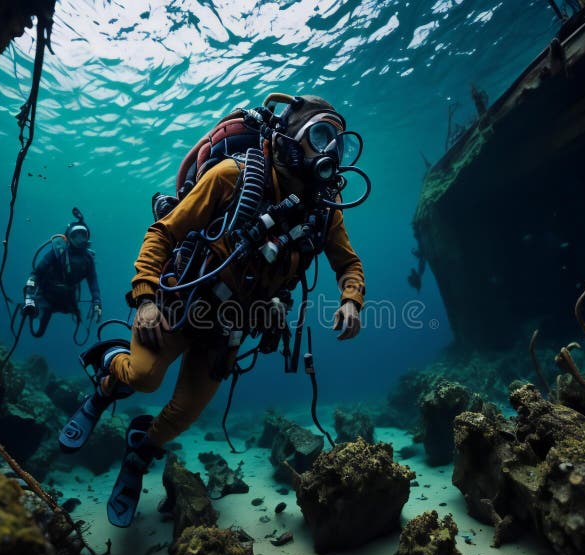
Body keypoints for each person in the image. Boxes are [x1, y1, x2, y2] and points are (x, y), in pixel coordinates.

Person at [59, 95, 367, 527]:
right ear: (290, 136)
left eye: (340, 144)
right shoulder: (231, 177)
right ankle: (108, 378)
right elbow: (163, 233)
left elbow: (348, 263)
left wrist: (351, 299)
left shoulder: (324, 212)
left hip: (229, 331)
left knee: (184, 413)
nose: (330, 152)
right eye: (321, 135)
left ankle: (139, 452)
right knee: (145, 378)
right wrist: (146, 299)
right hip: (181, 305)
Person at [22, 208, 102, 337]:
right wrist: (29, 298)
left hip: (67, 299)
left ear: (88, 237)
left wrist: (97, 302)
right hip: (47, 296)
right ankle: (34, 310)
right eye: (75, 235)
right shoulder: (58, 252)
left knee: (72, 320)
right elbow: (37, 273)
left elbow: (93, 281)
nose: (80, 239)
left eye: (83, 235)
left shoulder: (88, 259)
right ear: (68, 237)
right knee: (37, 333)